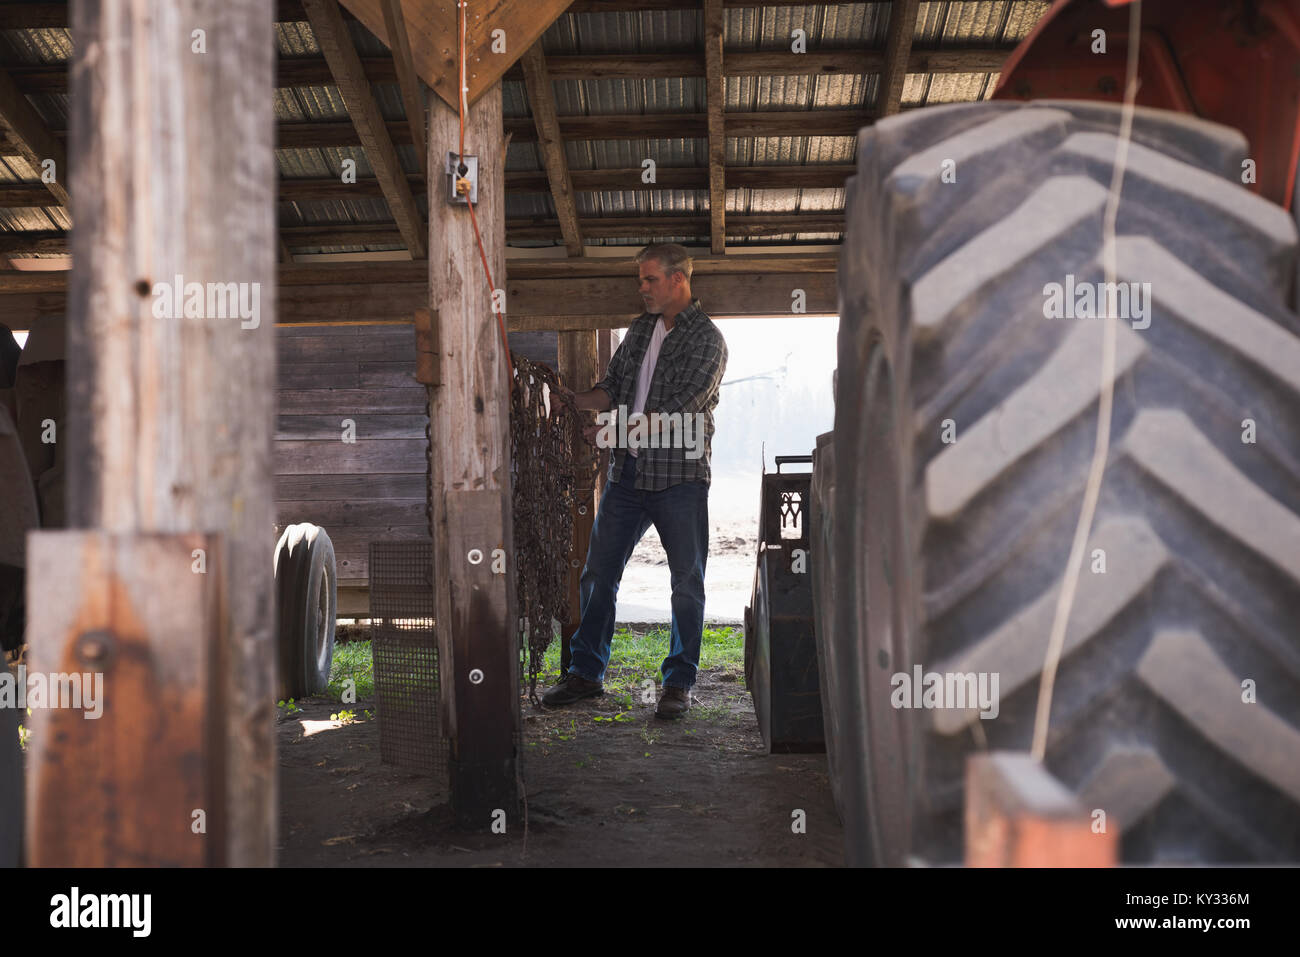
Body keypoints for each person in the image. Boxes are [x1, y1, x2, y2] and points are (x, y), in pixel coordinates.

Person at [542, 243, 728, 719]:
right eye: (640, 280)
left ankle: (679, 683)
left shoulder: (707, 340)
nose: (641, 288)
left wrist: (612, 431)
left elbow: (679, 411)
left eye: (649, 280)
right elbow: (612, 388)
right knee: (598, 573)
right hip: (628, 474)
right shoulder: (640, 331)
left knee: (687, 582)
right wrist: (574, 401)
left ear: (678, 280)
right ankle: (586, 673)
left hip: (680, 477)